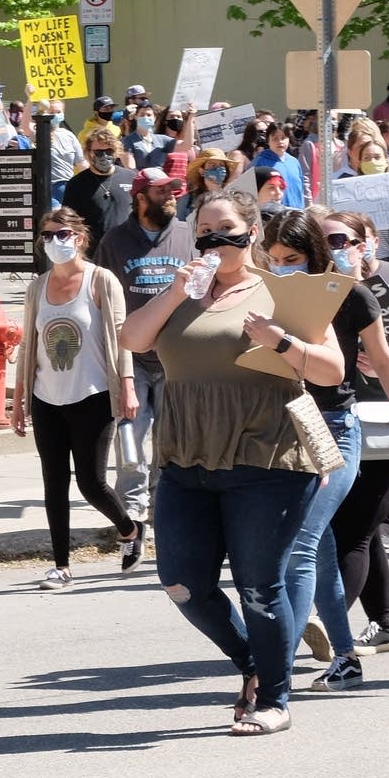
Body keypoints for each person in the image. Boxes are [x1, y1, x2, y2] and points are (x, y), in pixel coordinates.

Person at [120, 188, 345, 736]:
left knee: (258, 586)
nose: (214, 241)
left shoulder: (281, 292)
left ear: (252, 236)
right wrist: (176, 292)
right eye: (204, 232)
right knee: (180, 581)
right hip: (185, 457)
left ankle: (274, 698)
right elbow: (133, 338)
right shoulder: (184, 293)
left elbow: (331, 370)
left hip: (266, 457)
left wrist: (282, 339)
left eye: (226, 231)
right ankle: (252, 662)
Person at [268, 210, 389, 692]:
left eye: (294, 257)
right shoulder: (263, 298)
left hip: (336, 429)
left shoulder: (351, 296)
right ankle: (345, 658)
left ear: (317, 256)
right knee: (318, 547)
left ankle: (273, 670)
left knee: (301, 542)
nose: (284, 267)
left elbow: (385, 364)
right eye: (276, 258)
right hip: (282, 429)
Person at [14, 208, 141, 591]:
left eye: (63, 233)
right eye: (48, 235)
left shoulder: (101, 281)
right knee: (54, 483)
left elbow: (122, 338)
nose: (56, 241)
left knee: (91, 482)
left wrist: (129, 385)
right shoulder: (37, 287)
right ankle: (61, 566)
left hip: (93, 394)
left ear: (80, 238)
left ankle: (130, 529)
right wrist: (20, 397)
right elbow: (28, 345)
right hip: (47, 397)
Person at [94, 168, 194, 539]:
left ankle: (163, 505)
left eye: (173, 190)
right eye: (161, 191)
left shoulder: (187, 236)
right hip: (131, 354)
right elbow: (102, 300)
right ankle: (131, 513)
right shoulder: (115, 241)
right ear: (139, 198)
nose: (171, 195)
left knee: (171, 439)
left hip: (176, 353)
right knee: (130, 440)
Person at [332, 212, 389, 650]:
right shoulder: (324, 288)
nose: (337, 252)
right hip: (346, 418)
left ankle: (321, 619)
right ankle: (384, 623)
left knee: (356, 527)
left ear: (369, 242)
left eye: (346, 241)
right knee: (364, 526)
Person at [61, 128, 135, 251]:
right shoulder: (77, 184)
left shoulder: (130, 177)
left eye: (109, 151)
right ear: (89, 153)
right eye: (99, 152)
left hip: (127, 248)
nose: (105, 156)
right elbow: (69, 221)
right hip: (93, 252)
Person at [252, 122, 305, 208]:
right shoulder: (259, 162)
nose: (280, 142)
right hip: (273, 214)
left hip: (296, 213)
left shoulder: (294, 162)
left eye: (283, 138)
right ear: (268, 140)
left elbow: (301, 189)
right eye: (275, 138)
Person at [179, 148, 231, 220]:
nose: (218, 169)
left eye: (222, 165)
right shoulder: (188, 200)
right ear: (201, 171)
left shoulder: (231, 196)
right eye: (212, 165)